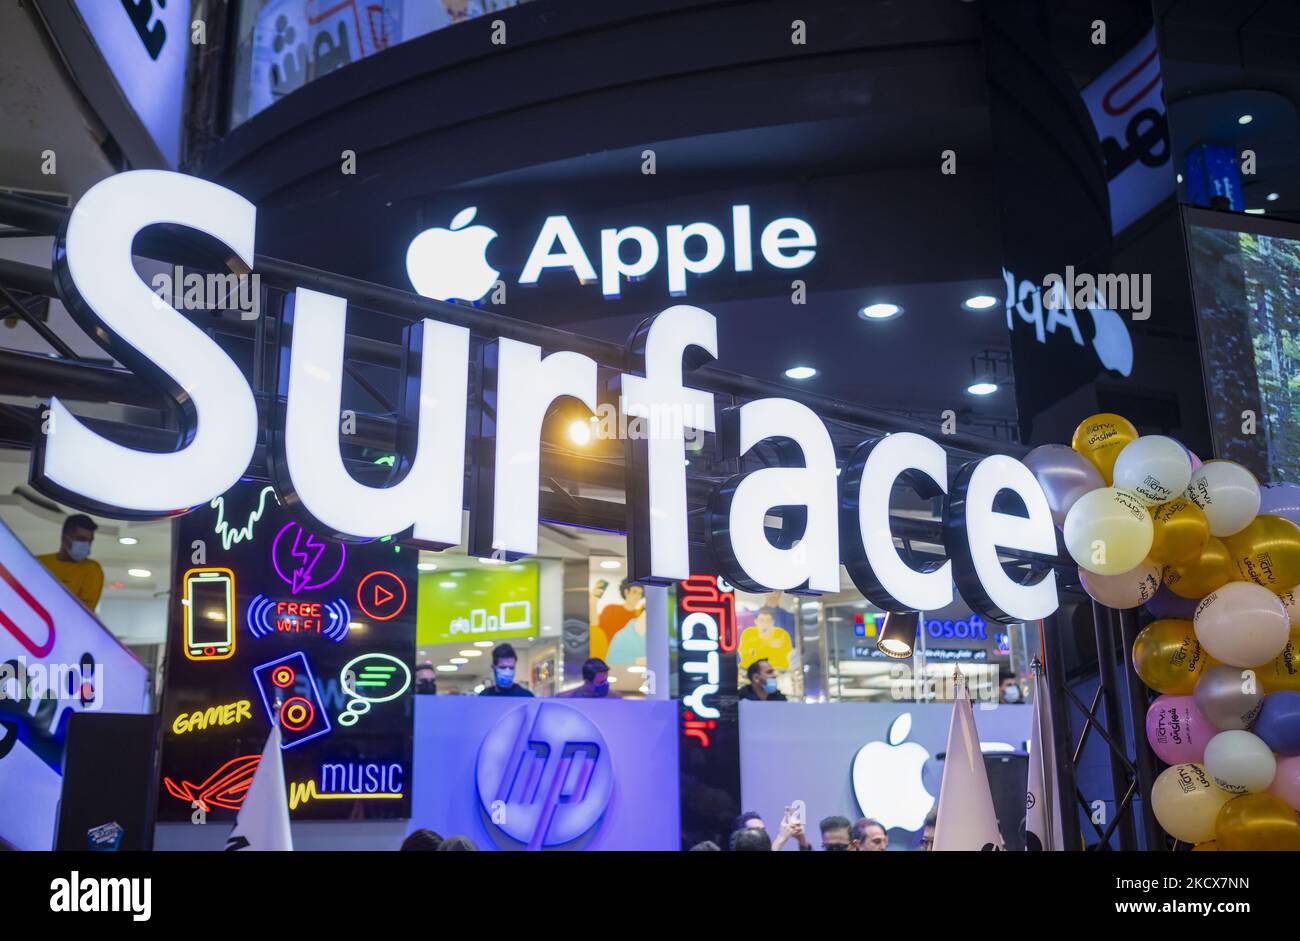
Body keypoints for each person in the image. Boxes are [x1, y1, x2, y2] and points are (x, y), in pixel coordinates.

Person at [37, 513, 104, 610]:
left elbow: (83, 611)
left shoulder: (92, 569)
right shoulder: (40, 563)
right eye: (81, 539)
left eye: (90, 541)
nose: (87, 545)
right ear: (65, 537)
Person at [589, 578, 645, 661]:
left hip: (629, 660)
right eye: (634, 591)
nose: (637, 596)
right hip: (606, 658)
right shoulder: (611, 609)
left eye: (640, 593)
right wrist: (593, 601)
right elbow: (595, 626)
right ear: (626, 592)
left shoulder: (640, 616)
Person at [557, 657, 622, 698]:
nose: (605, 685)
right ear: (587, 682)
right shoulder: (567, 698)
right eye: (601, 682)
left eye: (606, 680)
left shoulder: (614, 698)